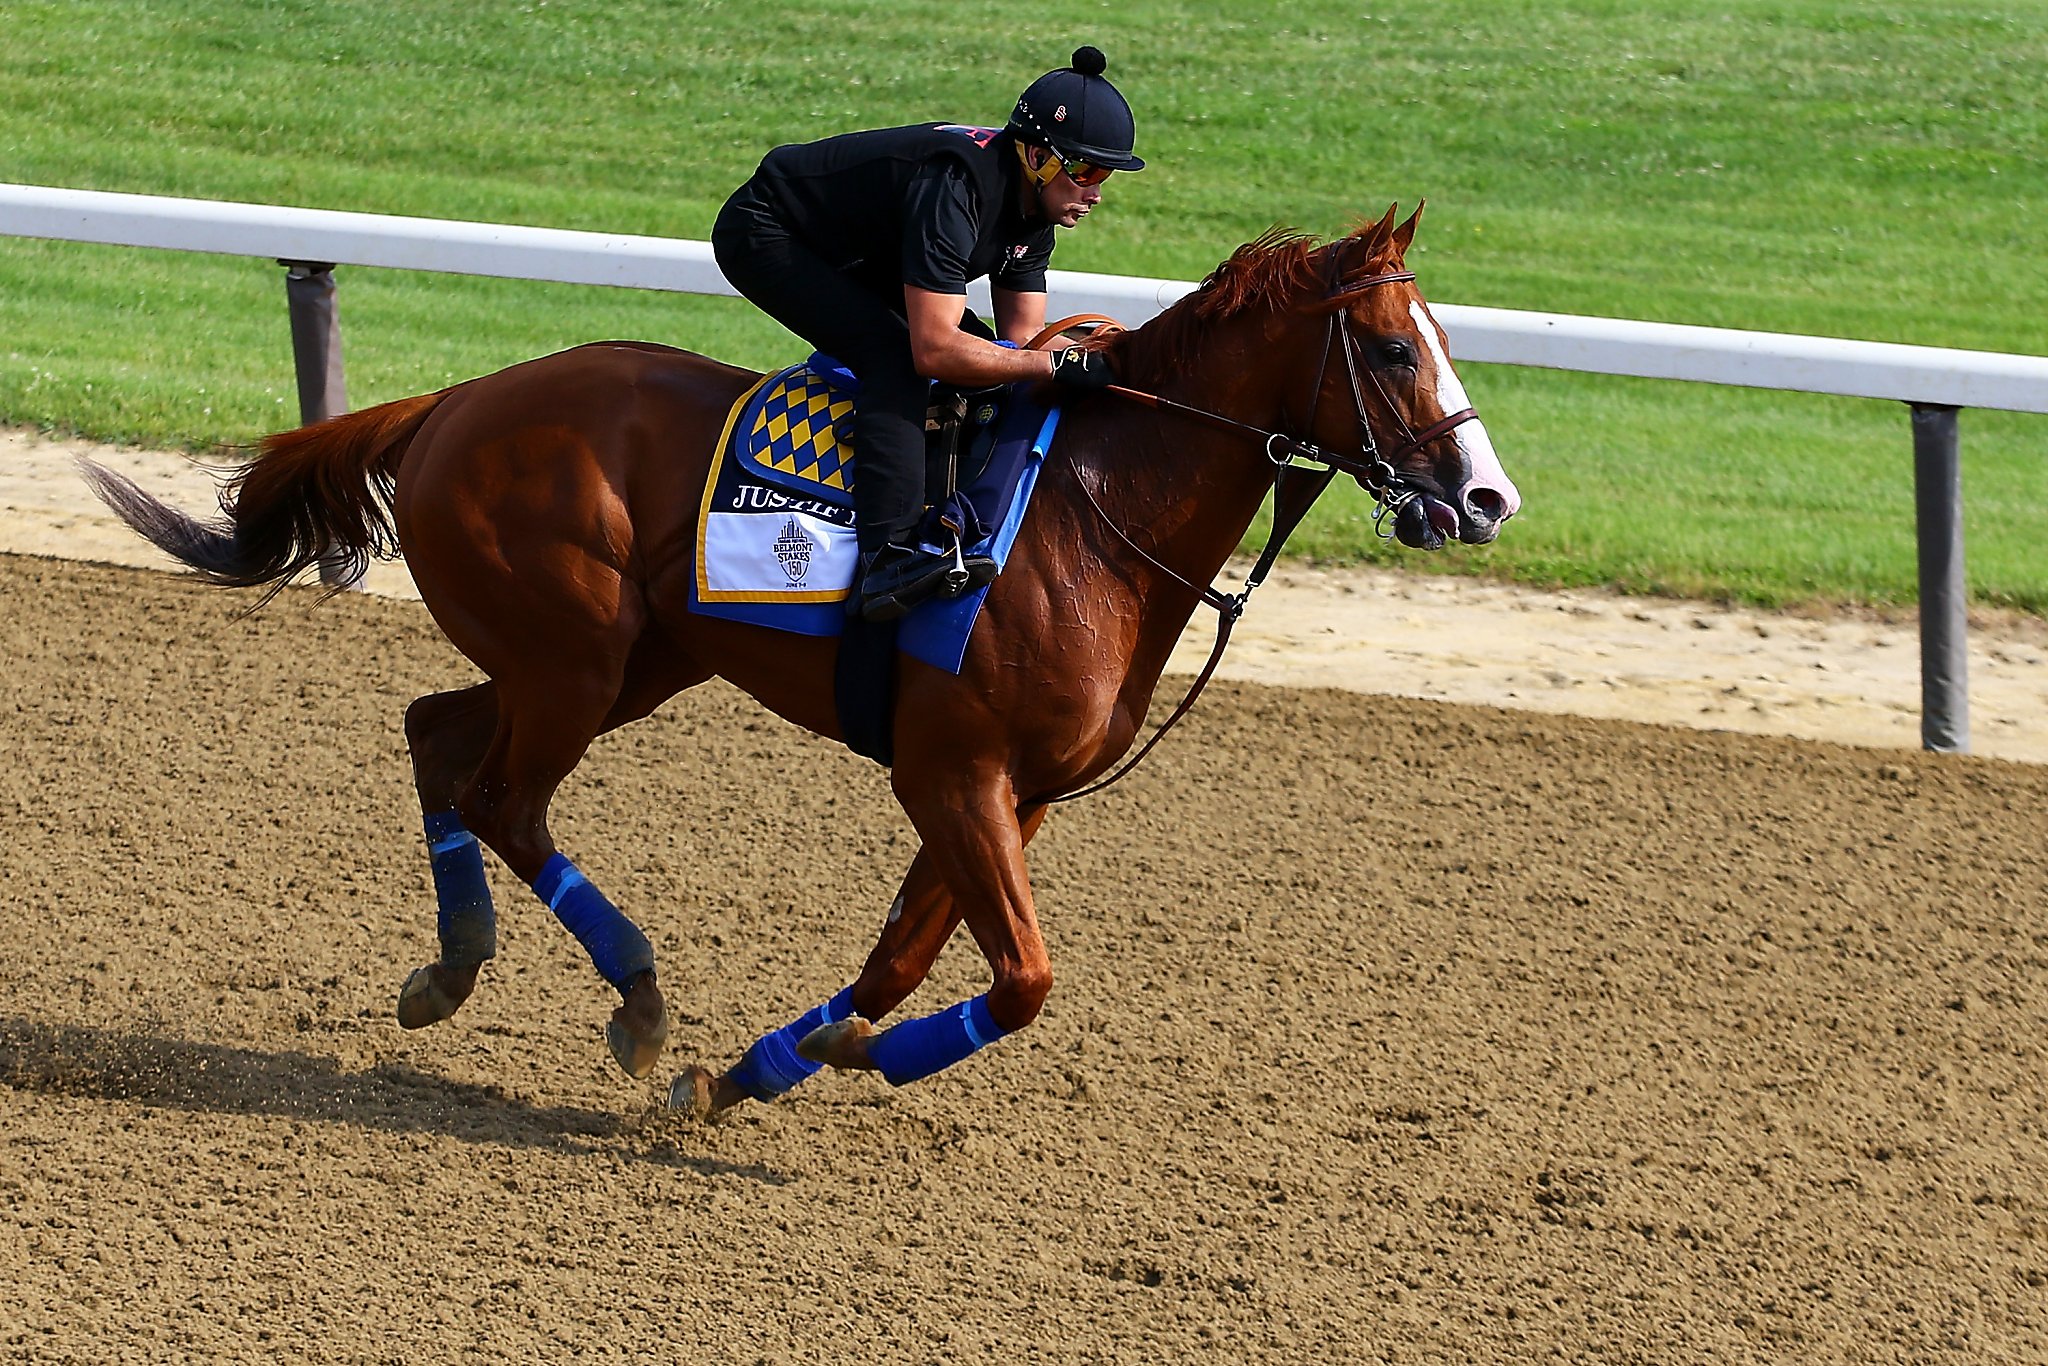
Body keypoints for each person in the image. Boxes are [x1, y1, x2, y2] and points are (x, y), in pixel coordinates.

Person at [711, 46, 1144, 622]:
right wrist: (1044, 366)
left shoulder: (1036, 214)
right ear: (1038, 156)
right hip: (771, 231)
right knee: (896, 356)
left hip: (868, 248)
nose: (1095, 193)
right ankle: (885, 560)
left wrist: (1096, 358)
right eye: (1086, 171)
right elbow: (935, 348)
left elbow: (1022, 340)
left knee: (988, 359)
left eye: (1105, 175)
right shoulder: (956, 187)